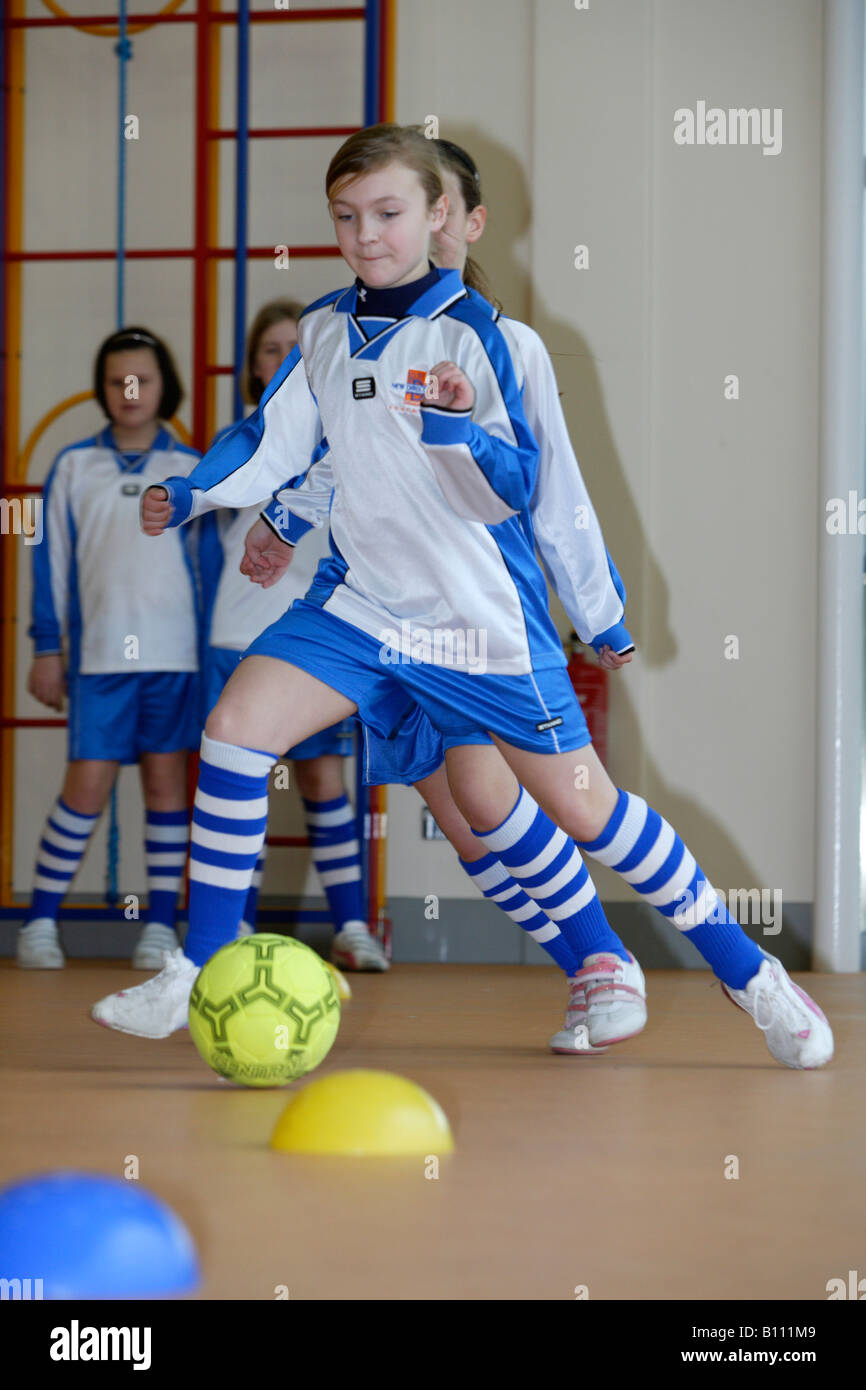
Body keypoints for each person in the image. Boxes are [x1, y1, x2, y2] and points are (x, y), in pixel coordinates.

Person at [91, 126, 833, 1072]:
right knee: (236, 727)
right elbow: (275, 442)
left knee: (579, 813)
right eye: (347, 217)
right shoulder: (323, 332)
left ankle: (750, 975)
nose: (366, 234)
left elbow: (531, 489)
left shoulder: (496, 341)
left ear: (439, 216)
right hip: (359, 608)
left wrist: (596, 608)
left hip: (477, 627)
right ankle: (195, 965)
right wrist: (195, 492)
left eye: (389, 213)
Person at [198, 300, 384, 969]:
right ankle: (230, 935)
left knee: (322, 784)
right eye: (271, 349)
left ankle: (353, 929)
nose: (283, 359)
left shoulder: (346, 434)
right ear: (254, 365)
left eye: (294, 349)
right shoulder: (242, 442)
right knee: (235, 782)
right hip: (234, 635)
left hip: (315, 635)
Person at [21, 327, 201, 971]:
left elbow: (210, 570)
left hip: (176, 659)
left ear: (164, 387)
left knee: (165, 788)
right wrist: (48, 647)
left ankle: (158, 927)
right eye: (117, 380)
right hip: (99, 660)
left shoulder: (190, 467)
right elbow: (51, 565)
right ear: (101, 389)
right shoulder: (73, 466)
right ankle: (39, 922)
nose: (129, 392)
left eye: (142, 379)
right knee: (85, 788)